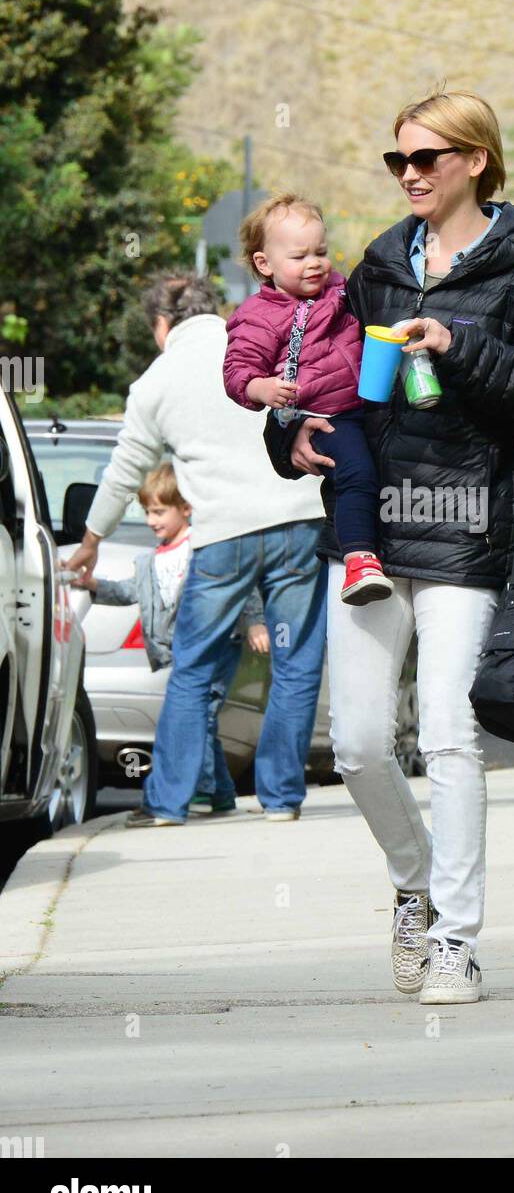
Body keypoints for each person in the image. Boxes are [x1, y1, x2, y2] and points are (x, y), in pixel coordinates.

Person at [287, 89, 514, 1003]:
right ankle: (412, 882)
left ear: (474, 160)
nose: (410, 174)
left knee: (452, 738)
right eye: (398, 160)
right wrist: (288, 434)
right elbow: (329, 376)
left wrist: (457, 342)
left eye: (426, 158)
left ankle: (456, 938)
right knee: (357, 743)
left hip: (471, 528)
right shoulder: (378, 262)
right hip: (371, 531)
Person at [63, 272, 327, 827]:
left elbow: (122, 474)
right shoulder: (264, 342)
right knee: (295, 662)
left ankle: (168, 804)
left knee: (192, 669)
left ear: (162, 326)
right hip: (298, 521)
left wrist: (91, 541)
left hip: (223, 537)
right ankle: (280, 799)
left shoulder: (155, 383)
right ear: (216, 308)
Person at [223, 192, 391, 606]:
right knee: (356, 473)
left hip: (364, 404)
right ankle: (359, 559)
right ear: (265, 264)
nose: (314, 263)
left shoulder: (339, 291)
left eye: (321, 251)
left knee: (377, 471)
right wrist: (261, 388)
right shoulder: (260, 315)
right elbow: (237, 370)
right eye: (299, 257)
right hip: (321, 415)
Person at [73, 463, 268, 818]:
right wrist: (94, 587)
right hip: (182, 651)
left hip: (220, 642)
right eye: (147, 511)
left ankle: (204, 790)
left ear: (186, 509)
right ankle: (220, 792)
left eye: (160, 511)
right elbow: (129, 592)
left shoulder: (203, 546)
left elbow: (242, 584)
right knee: (201, 716)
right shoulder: (149, 560)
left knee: (202, 714)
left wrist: (255, 622)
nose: (151, 520)